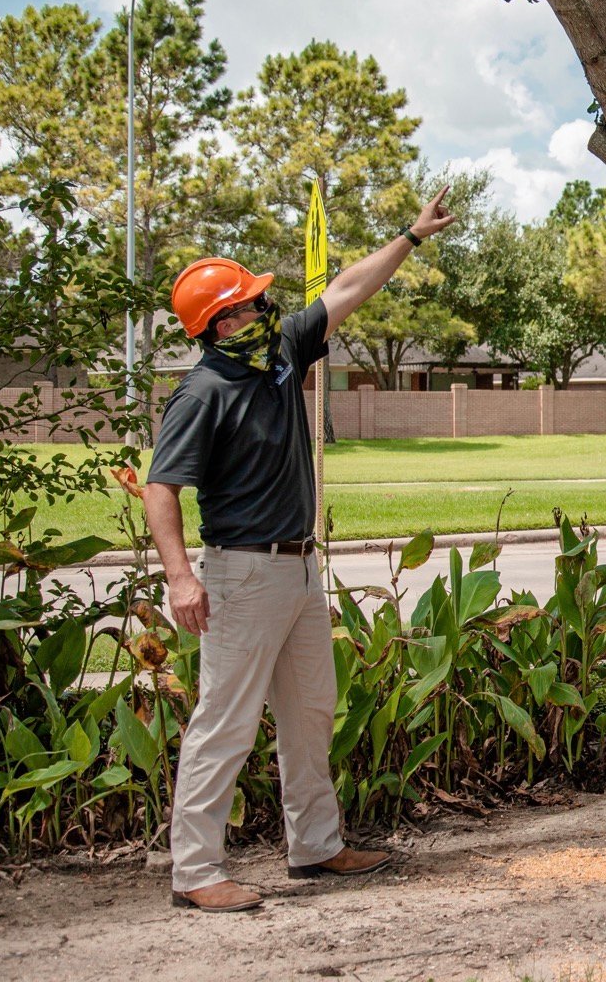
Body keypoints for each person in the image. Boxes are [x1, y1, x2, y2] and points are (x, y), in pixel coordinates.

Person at [144, 188, 456, 913]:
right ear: (219, 322)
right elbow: (161, 489)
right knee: (225, 721)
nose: (262, 310)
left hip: (298, 566)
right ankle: (194, 872)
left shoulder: (281, 353)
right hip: (242, 573)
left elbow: (347, 288)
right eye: (249, 304)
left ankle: (315, 846)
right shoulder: (201, 394)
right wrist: (181, 579)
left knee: (311, 708)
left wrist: (410, 236)